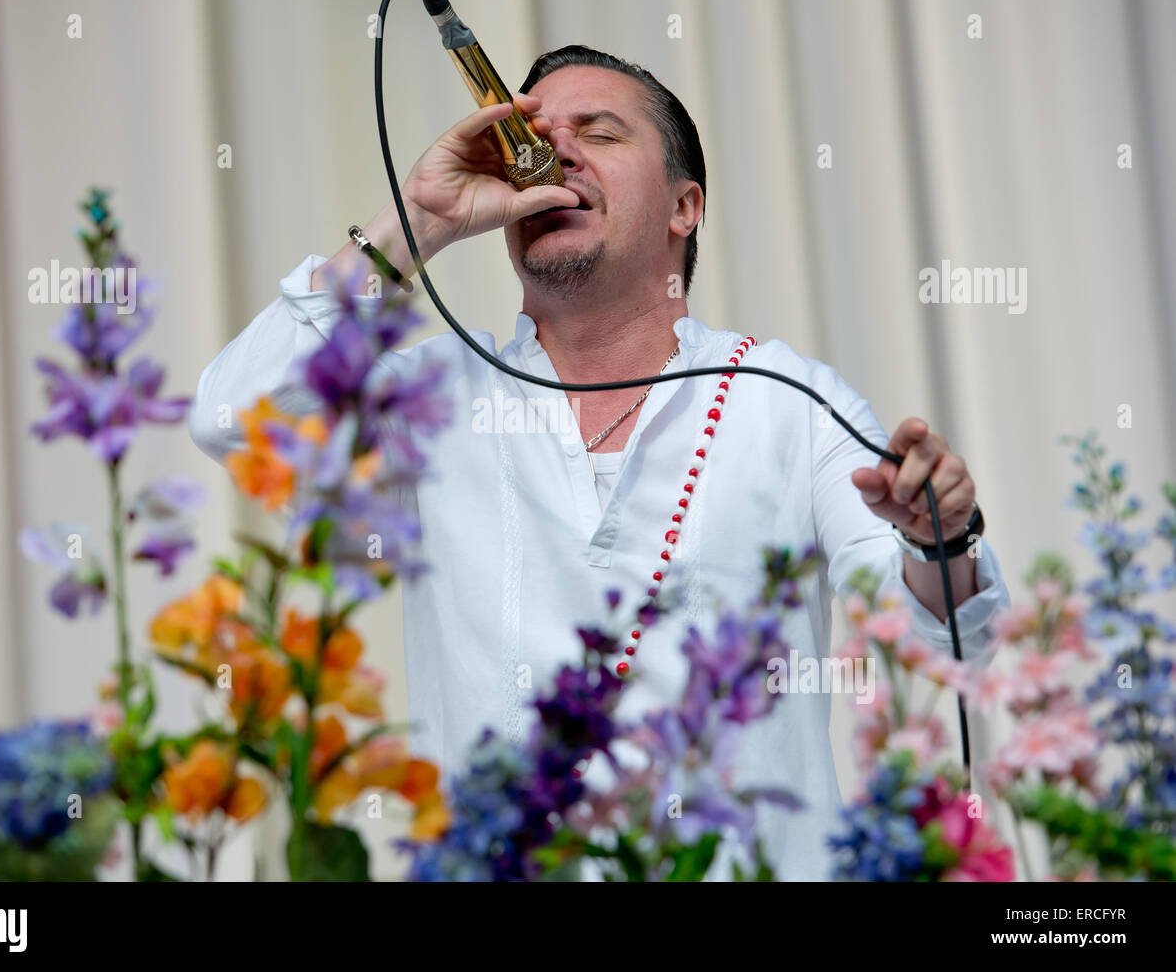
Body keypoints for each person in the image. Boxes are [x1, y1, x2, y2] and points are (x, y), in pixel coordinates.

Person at [189, 45, 1010, 880]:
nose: (556, 153)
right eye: (534, 137)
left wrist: (938, 539)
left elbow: (932, 648)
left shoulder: (786, 397)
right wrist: (420, 220)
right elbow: (232, 417)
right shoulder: (426, 394)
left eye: (599, 133)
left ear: (683, 207)